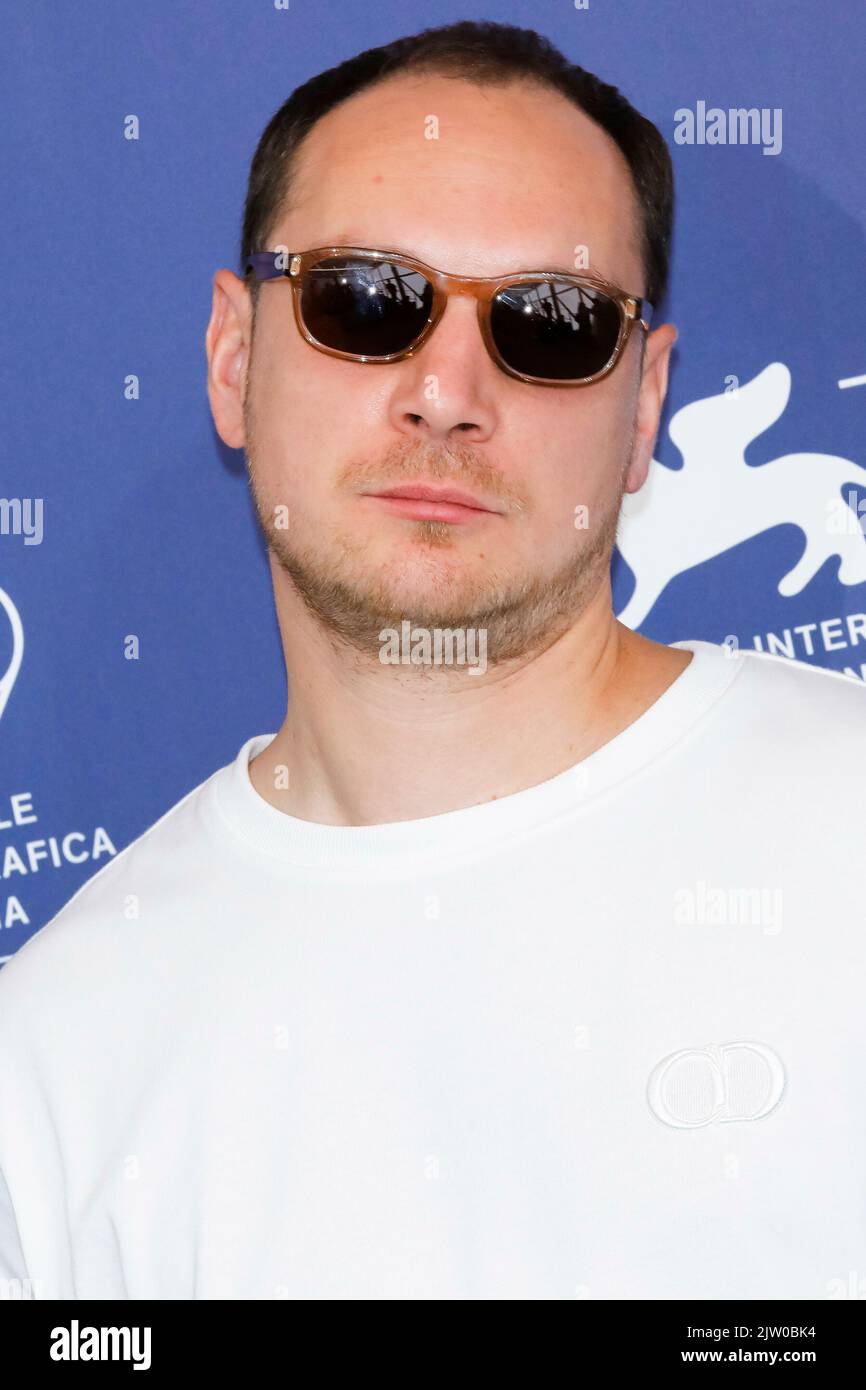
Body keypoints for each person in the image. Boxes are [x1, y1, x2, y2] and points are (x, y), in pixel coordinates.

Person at [1, 19, 864, 1302]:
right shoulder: (54, 1059)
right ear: (235, 359)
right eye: (364, 299)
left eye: (553, 322)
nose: (446, 388)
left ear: (643, 407)